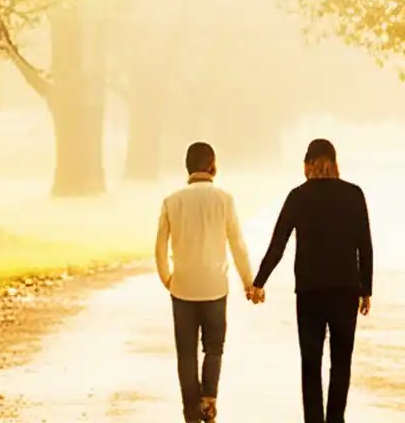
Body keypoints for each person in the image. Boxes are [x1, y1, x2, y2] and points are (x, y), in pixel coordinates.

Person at [249, 138, 373, 423]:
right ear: (335, 163)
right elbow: (364, 245)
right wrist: (365, 288)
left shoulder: (298, 196)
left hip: (310, 291)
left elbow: (278, 243)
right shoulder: (354, 195)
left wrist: (259, 281)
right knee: (341, 362)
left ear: (307, 165)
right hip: (344, 289)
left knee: (311, 361)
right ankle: (335, 419)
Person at [156, 142, 255, 423]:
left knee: (186, 353)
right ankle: (208, 400)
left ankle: (191, 411)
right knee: (214, 348)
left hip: (183, 287)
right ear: (213, 166)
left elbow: (160, 247)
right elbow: (237, 244)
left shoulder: (172, 201)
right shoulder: (224, 199)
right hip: (215, 288)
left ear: (188, 167)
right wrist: (249, 282)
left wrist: (168, 279)